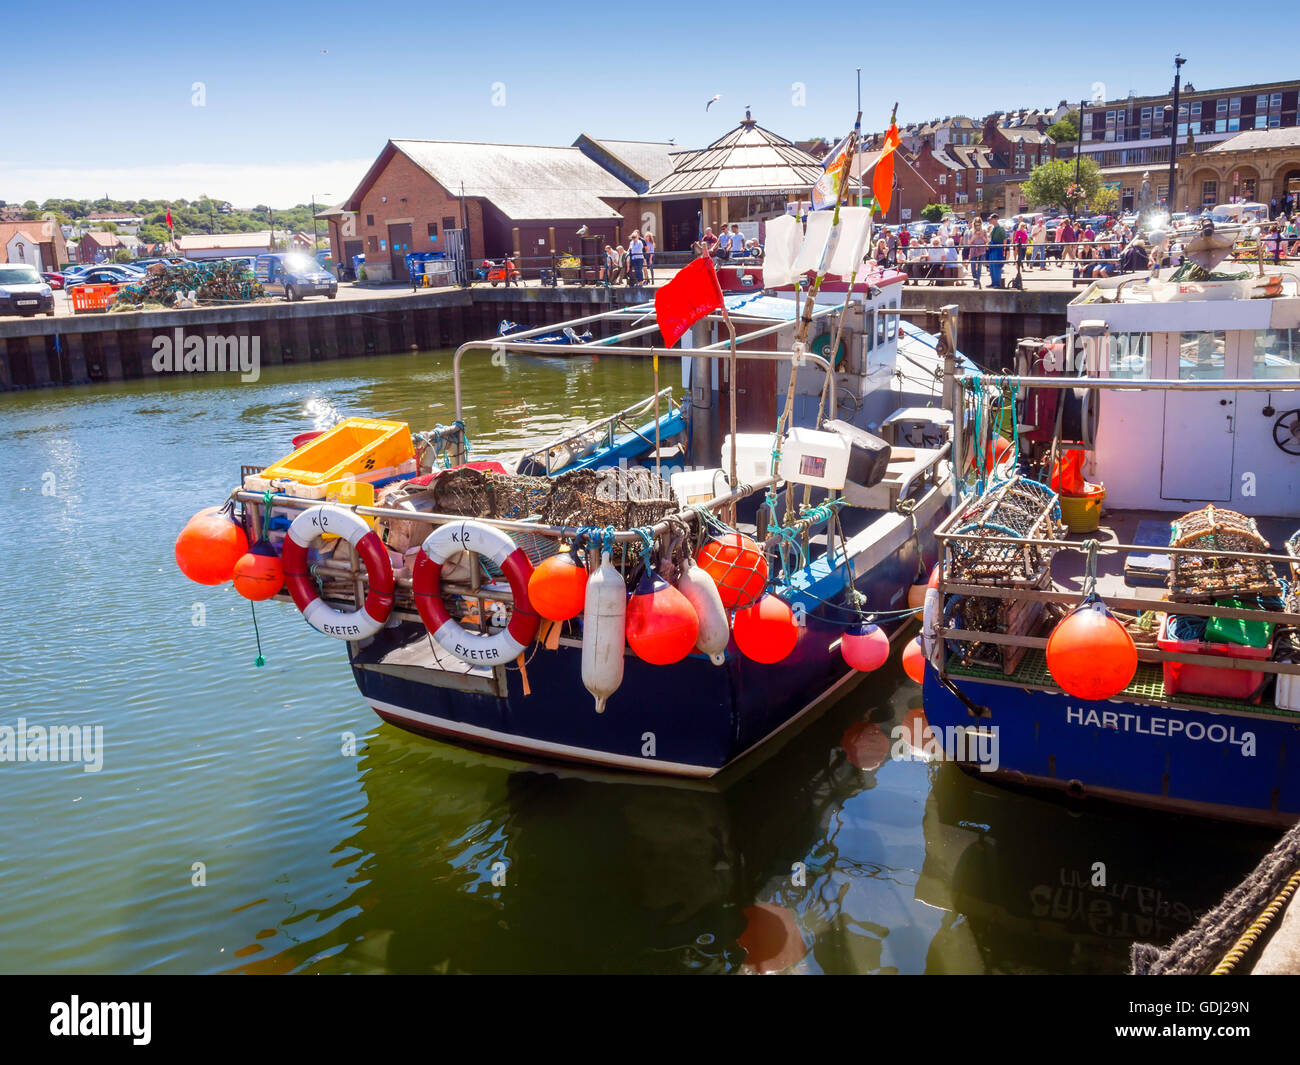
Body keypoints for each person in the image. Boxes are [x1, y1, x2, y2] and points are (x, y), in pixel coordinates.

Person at [964, 216, 987, 287]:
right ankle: (975, 282)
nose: (977, 226)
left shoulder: (984, 230)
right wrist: (975, 237)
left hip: (981, 249)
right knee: (973, 266)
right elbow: (968, 243)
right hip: (973, 250)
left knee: (979, 267)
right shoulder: (970, 231)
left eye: (979, 224)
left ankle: (978, 281)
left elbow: (987, 241)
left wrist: (982, 236)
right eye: (976, 225)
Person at [986, 214, 1007, 287]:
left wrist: (1004, 251)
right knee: (991, 267)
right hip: (992, 249)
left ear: (996, 219)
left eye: (991, 219)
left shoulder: (1001, 228)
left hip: (998, 249)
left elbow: (1004, 239)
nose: (990, 220)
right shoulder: (992, 228)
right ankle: (993, 282)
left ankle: (997, 283)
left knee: (997, 266)